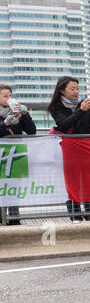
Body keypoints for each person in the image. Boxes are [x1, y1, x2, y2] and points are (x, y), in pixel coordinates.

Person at [48, 75, 90, 221]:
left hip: (88, 148)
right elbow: (64, 125)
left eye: (77, 88)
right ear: (62, 90)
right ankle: (75, 214)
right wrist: (81, 111)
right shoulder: (56, 107)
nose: (76, 91)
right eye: (72, 88)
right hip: (69, 149)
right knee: (72, 182)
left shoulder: (83, 103)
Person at [0, 84, 35, 224]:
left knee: (14, 188)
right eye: (5, 96)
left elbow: (32, 131)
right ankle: (1, 219)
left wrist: (25, 115)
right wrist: (5, 123)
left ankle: (14, 218)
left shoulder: (17, 111)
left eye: (10, 95)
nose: (8, 98)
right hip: (2, 153)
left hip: (16, 153)